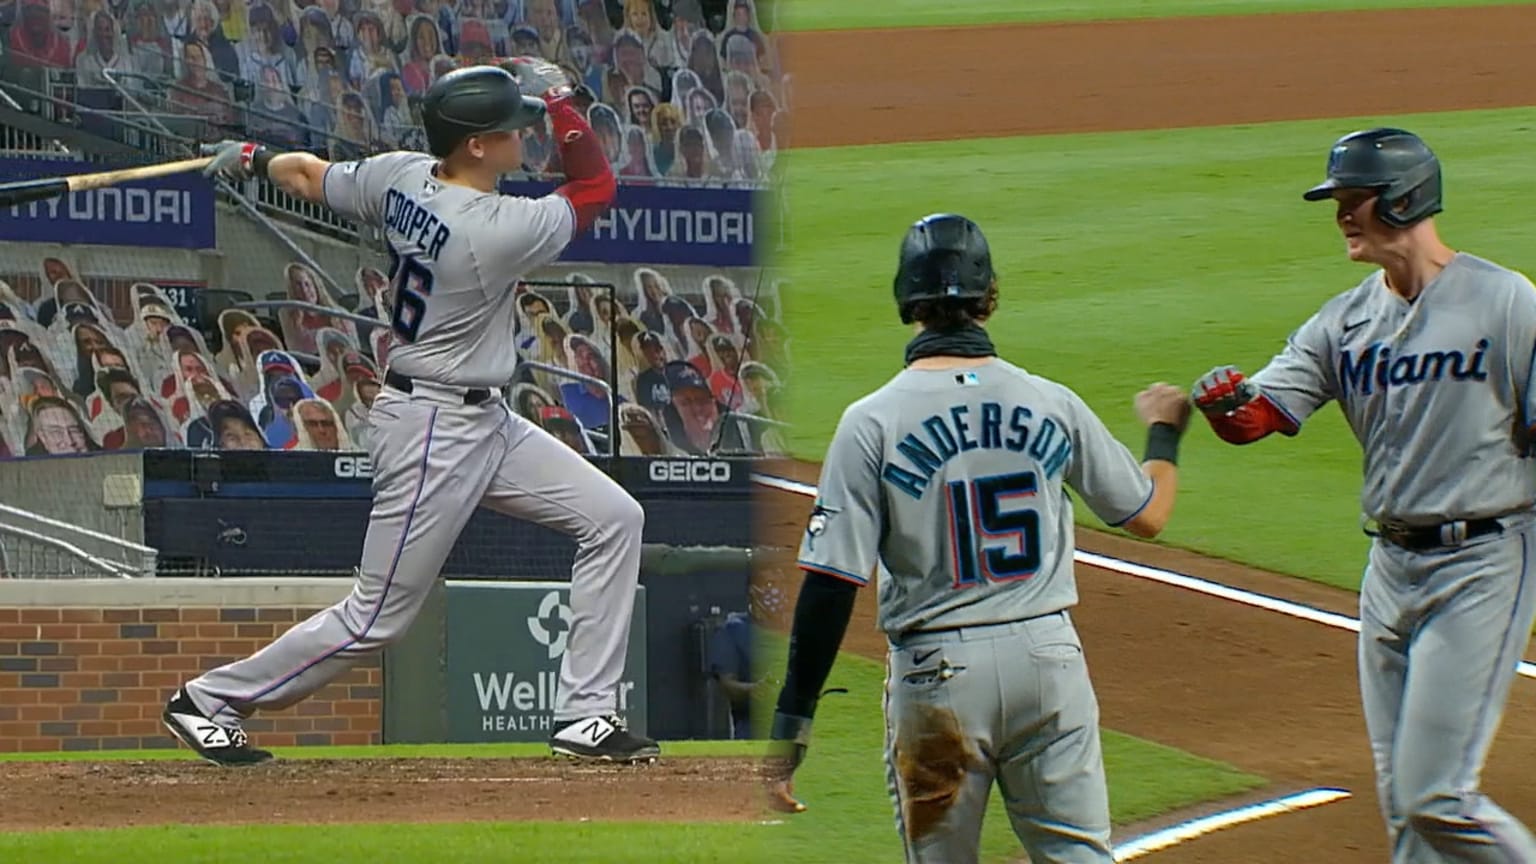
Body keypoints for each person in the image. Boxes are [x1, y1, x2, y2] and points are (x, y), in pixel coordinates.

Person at [166, 58, 657, 767]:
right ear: (476, 146)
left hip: (483, 418)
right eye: (511, 128)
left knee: (615, 518)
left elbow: (306, 176)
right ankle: (208, 699)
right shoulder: (490, 229)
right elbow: (595, 187)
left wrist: (251, 156)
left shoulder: (402, 175)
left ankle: (586, 715)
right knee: (377, 617)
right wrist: (559, 102)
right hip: (433, 429)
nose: (524, 136)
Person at [763, 214, 1192, 864]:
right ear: (989, 296)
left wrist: (792, 725)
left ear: (906, 298)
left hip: (940, 676)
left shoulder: (872, 421)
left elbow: (831, 583)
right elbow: (1147, 514)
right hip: (1049, 661)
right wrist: (1163, 430)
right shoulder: (1051, 402)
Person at [1189, 128, 1536, 862]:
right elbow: (1260, 417)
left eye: (1356, 199)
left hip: (1483, 562)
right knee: (1402, 802)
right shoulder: (1343, 322)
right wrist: (1227, 408)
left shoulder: (1504, 301)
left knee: (1436, 796)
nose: (1343, 215)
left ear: (1405, 198)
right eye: (1339, 201)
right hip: (1389, 569)